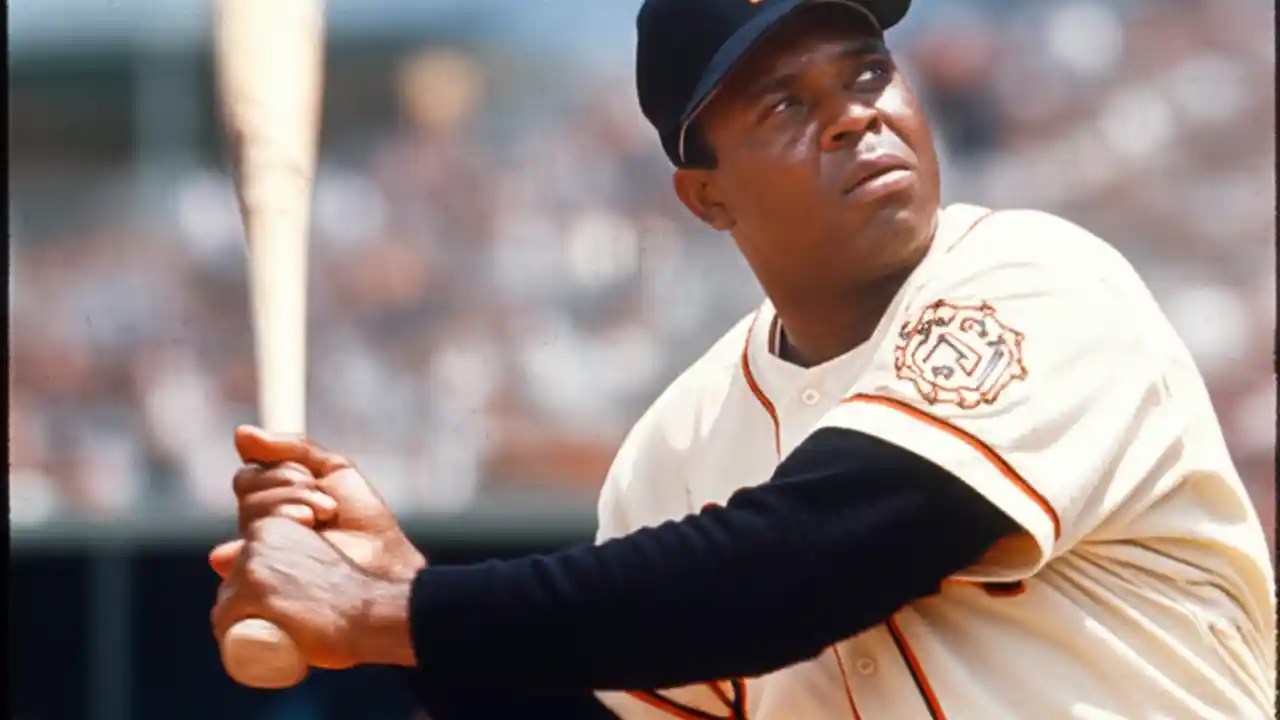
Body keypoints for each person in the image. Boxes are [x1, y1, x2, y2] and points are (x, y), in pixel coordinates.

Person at [209, 0, 1277, 717]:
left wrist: (396, 615)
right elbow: (623, 670)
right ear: (704, 194)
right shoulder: (673, 448)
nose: (854, 115)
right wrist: (403, 604)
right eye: (784, 103)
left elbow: (804, 564)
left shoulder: (1040, 278)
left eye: (866, 70)